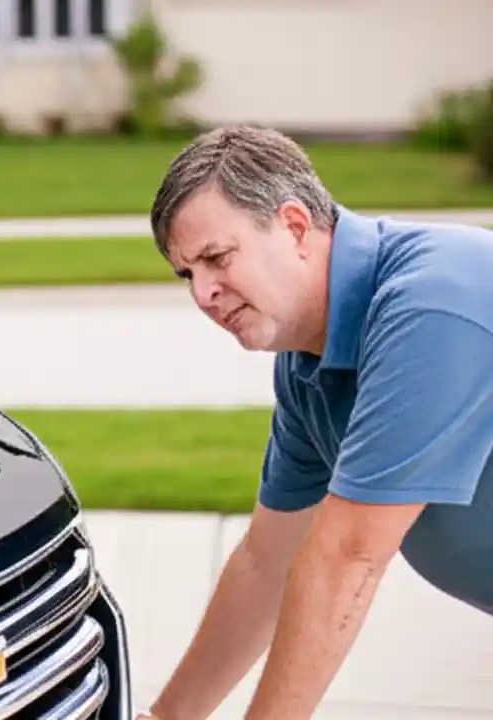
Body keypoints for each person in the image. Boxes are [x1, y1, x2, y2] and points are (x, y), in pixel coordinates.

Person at [135, 125, 493, 720]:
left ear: (295, 226)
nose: (203, 294)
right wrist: (167, 717)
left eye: (217, 259)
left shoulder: (434, 304)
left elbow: (349, 556)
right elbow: (267, 563)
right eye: (187, 274)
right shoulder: (307, 363)